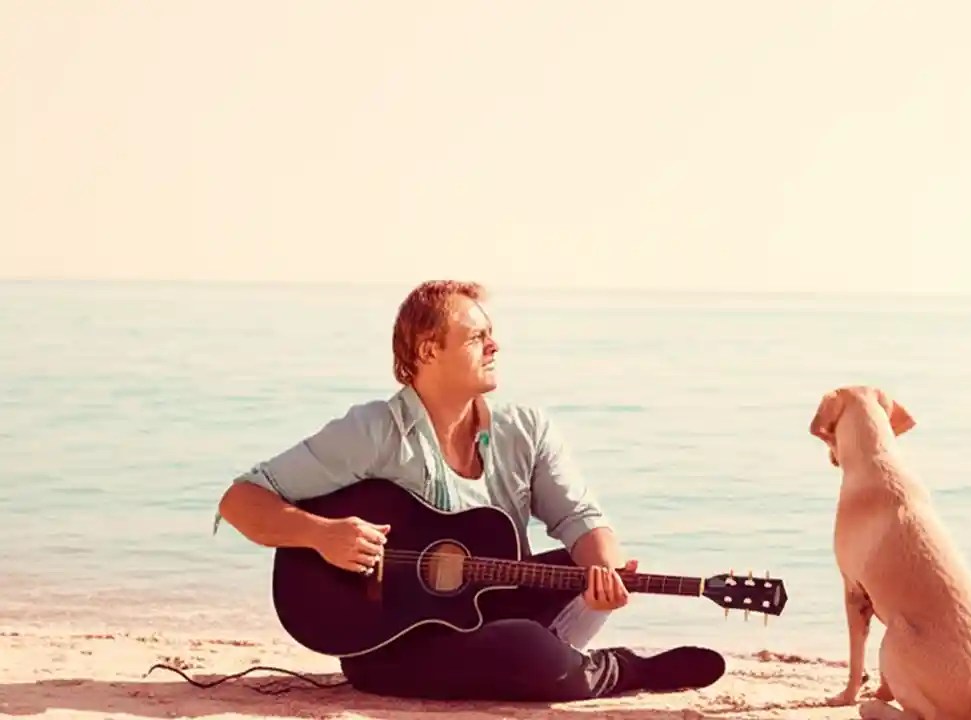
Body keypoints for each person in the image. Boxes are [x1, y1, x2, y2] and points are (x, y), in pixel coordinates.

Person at [214, 280, 725, 701]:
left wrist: (604, 570)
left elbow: (580, 518)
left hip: (487, 609)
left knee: (571, 577)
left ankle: (556, 664)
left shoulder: (527, 429)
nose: (495, 345)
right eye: (477, 336)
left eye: (492, 334)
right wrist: (323, 534)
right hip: (390, 642)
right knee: (523, 650)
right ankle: (616, 671)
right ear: (428, 349)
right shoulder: (371, 431)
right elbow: (241, 500)